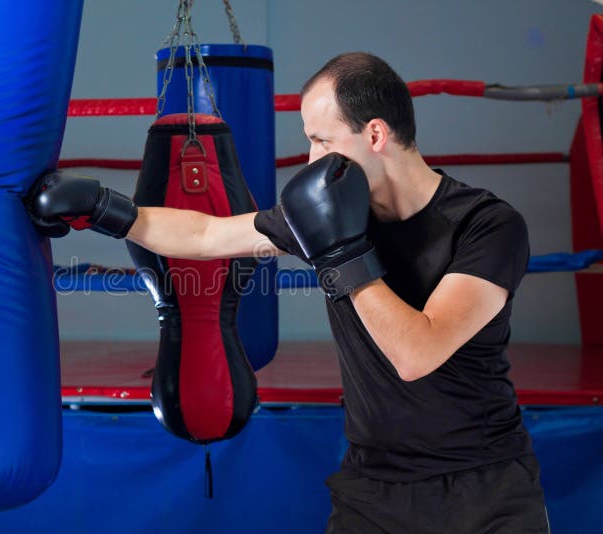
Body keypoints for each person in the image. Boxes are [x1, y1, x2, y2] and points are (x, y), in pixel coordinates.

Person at [28, 52, 549, 533]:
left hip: (484, 488)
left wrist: (341, 251)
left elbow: (416, 352)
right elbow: (207, 235)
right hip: (374, 486)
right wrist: (104, 209)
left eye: (322, 140)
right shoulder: (334, 211)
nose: (311, 159)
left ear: (374, 134)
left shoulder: (487, 226)